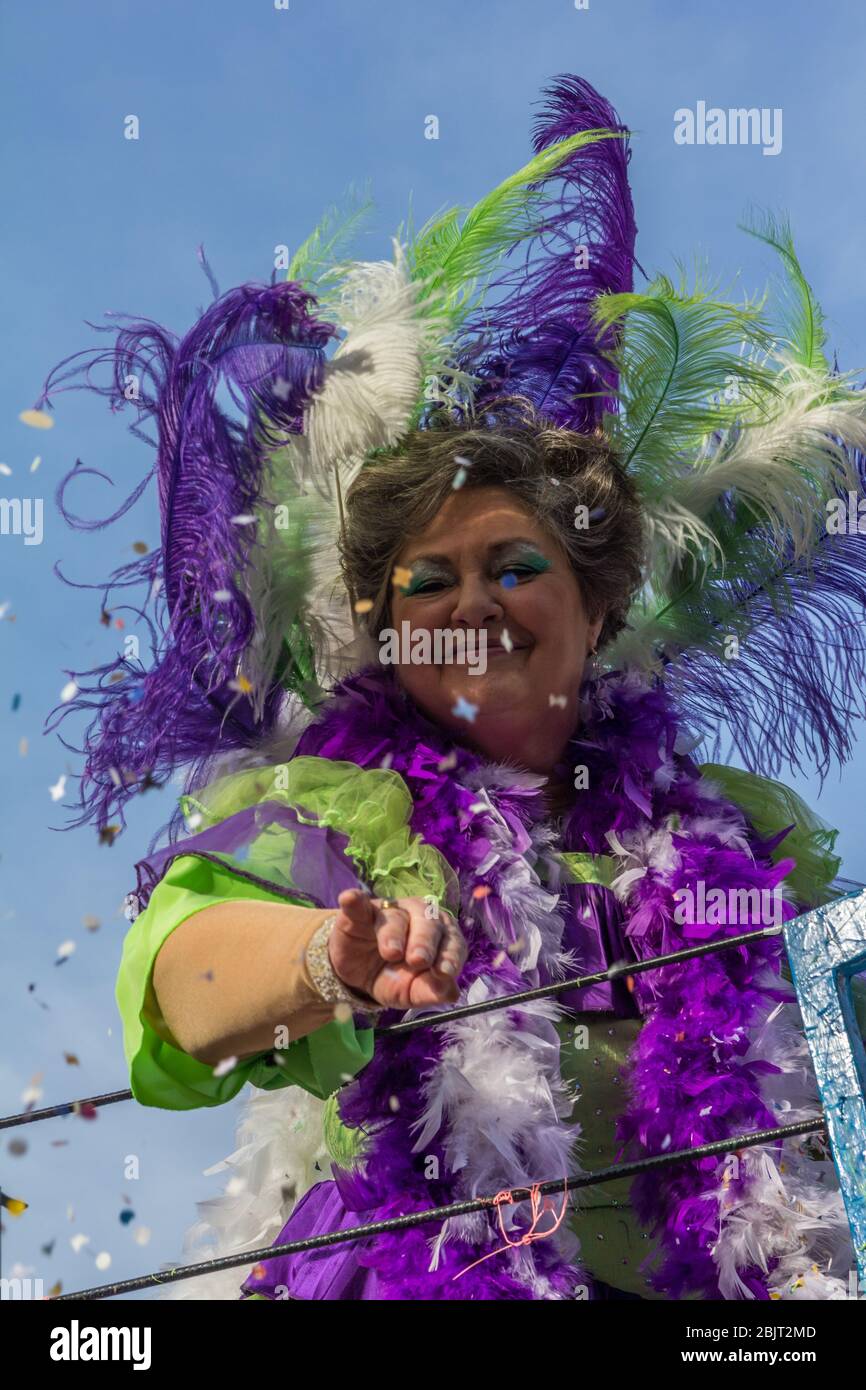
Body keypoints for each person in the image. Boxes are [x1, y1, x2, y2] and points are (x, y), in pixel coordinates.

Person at [42, 75, 866, 1300]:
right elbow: (182, 983)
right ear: (383, 634)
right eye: (427, 582)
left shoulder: (742, 838)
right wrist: (331, 955)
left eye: (515, 566)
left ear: (594, 611)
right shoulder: (335, 808)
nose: (470, 604)